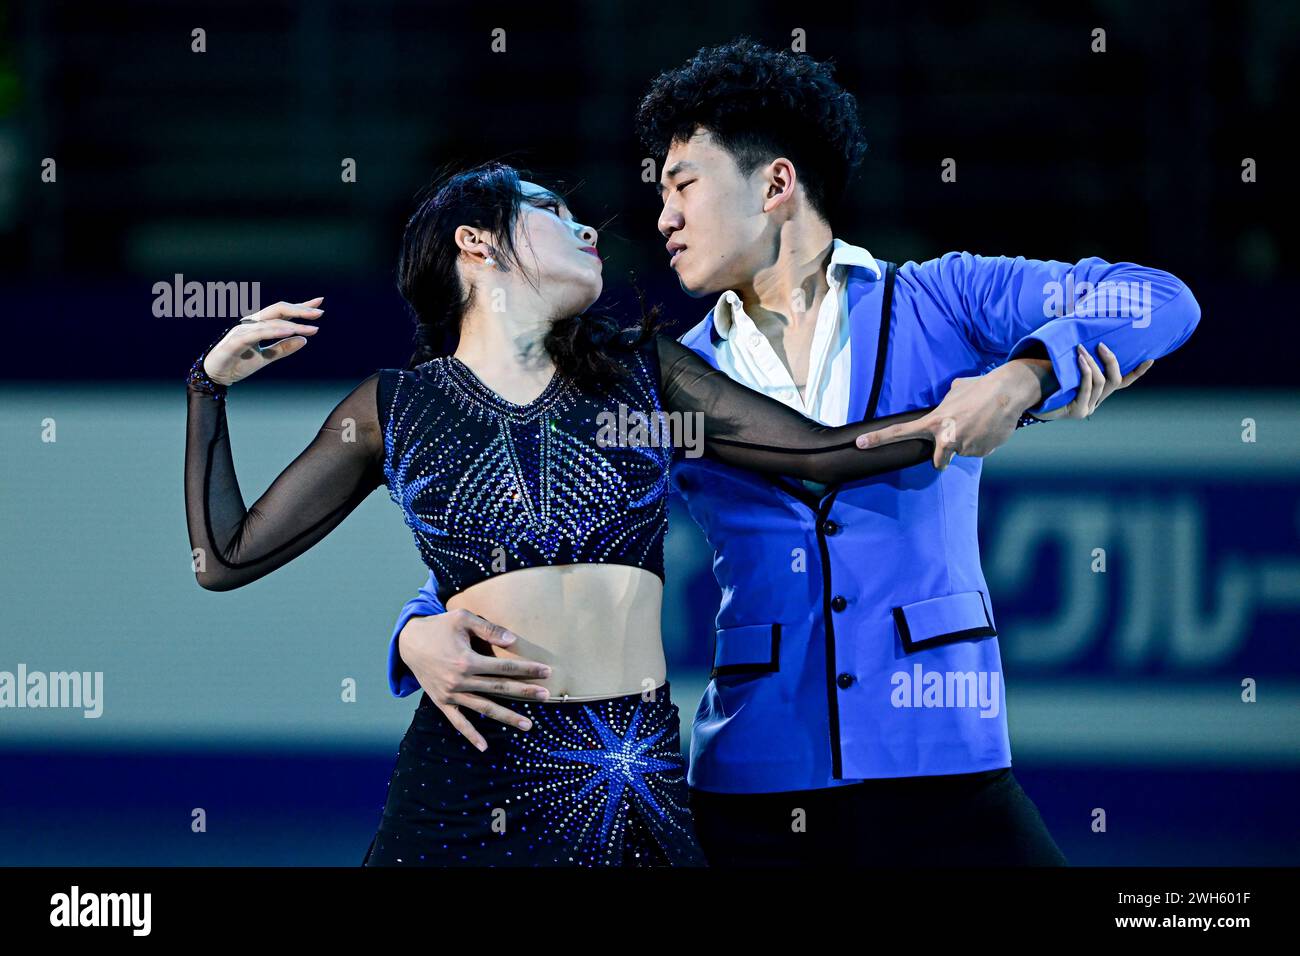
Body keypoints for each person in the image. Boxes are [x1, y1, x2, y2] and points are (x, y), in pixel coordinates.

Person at [387, 39, 1201, 867]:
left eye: (683, 186)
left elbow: (1158, 297)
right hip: (754, 787)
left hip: (946, 766)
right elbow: (534, 529)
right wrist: (418, 630)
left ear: (775, 185)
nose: (661, 218)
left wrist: (1026, 377)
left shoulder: (943, 299)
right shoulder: (660, 375)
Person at [182, 161, 941, 867]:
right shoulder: (394, 406)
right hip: (466, 788)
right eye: (550, 210)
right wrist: (207, 386)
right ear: (474, 243)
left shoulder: (644, 373)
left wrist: (988, 404)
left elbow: (820, 453)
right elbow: (225, 558)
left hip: (633, 784)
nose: (588, 230)